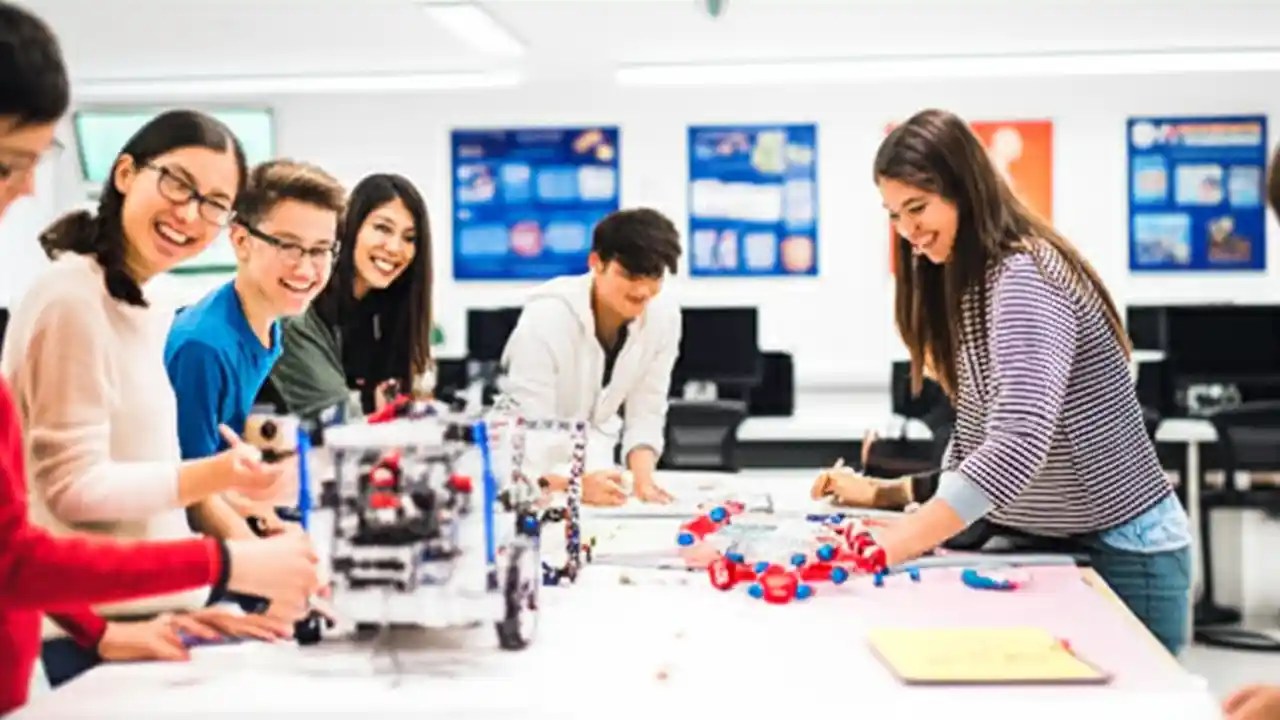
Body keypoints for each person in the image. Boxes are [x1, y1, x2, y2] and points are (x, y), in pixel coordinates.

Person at [0, 4, 318, 713]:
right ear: (123, 173)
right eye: (178, 185)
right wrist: (226, 535)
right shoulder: (70, 297)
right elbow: (69, 494)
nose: (192, 215)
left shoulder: (142, 306)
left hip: (129, 619)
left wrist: (231, 481)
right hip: (92, 624)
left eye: (216, 203)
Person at [854, 109, 1192, 655]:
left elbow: (1018, 440)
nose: (907, 231)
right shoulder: (968, 282)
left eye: (917, 208)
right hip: (1048, 541)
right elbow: (975, 431)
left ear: (966, 190)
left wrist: (904, 540)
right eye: (894, 215)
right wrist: (928, 513)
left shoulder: (1023, 275)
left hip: (1122, 551)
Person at [166, 159, 343, 530]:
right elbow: (185, 496)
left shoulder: (267, 327)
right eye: (290, 247)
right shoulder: (204, 347)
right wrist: (271, 532)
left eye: (321, 250)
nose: (307, 270)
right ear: (241, 241)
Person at [498, 207, 682, 506]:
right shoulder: (546, 319)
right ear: (597, 263)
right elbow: (526, 431)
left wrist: (643, 482)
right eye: (631, 274)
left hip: (597, 474)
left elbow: (647, 407)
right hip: (532, 481)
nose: (644, 290)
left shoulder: (663, 318)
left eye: (654, 276)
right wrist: (570, 486)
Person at [263, 173, 431, 421]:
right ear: (351, 228)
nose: (395, 248)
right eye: (383, 228)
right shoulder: (299, 313)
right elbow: (340, 424)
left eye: (409, 238)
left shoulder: (375, 314)